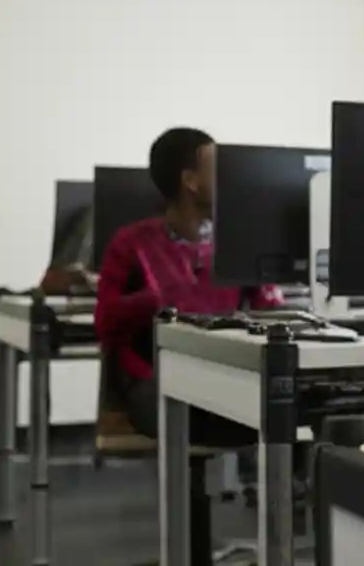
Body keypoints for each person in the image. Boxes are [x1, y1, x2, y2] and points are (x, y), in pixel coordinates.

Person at [94, 127, 282, 443]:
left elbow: (270, 310)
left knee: (279, 407)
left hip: (223, 369)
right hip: (154, 377)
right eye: (217, 168)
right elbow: (104, 322)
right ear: (190, 181)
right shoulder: (132, 243)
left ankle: (276, 484)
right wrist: (155, 299)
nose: (228, 177)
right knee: (227, 414)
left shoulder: (235, 240)